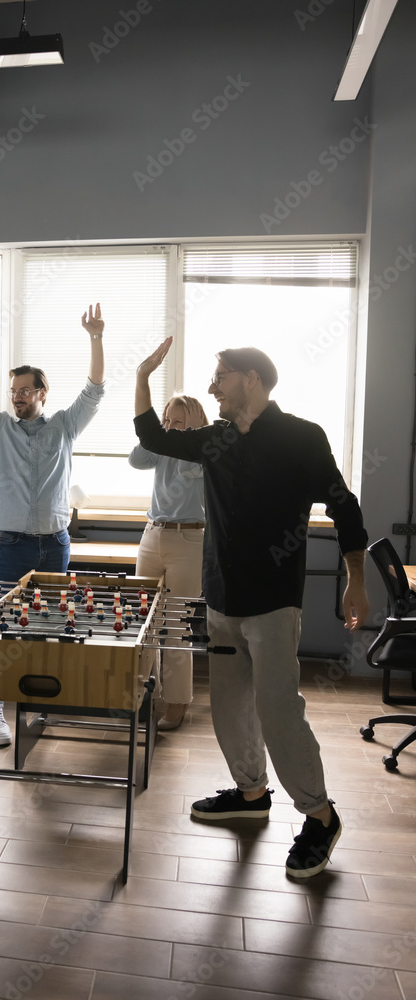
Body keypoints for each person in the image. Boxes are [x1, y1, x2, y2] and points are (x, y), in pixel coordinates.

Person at [134, 340, 369, 878]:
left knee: (277, 710)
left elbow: (344, 506)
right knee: (228, 705)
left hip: (272, 602)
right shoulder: (215, 440)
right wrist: (144, 374)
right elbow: (150, 434)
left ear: (253, 381)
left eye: (221, 376)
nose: (212, 386)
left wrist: (355, 580)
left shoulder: (302, 438)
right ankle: (250, 792)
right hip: (221, 596)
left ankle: (319, 815)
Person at [0, 300, 105, 746]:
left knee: (48, 627)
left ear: (41, 393)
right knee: (5, 627)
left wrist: (95, 337)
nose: (17, 395)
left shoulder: (65, 427)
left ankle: (37, 702)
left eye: (25, 389)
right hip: (14, 544)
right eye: (14, 390)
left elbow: (95, 389)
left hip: (55, 544)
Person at [129, 394, 208, 730]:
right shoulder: (161, 445)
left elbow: (190, 467)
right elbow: (136, 459)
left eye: (180, 421)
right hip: (153, 534)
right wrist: (156, 432)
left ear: (196, 422)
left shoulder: (205, 449)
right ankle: (147, 694)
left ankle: (177, 703)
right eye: (168, 420)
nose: (172, 427)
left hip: (189, 540)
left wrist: (181, 435)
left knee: (176, 627)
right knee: (143, 624)